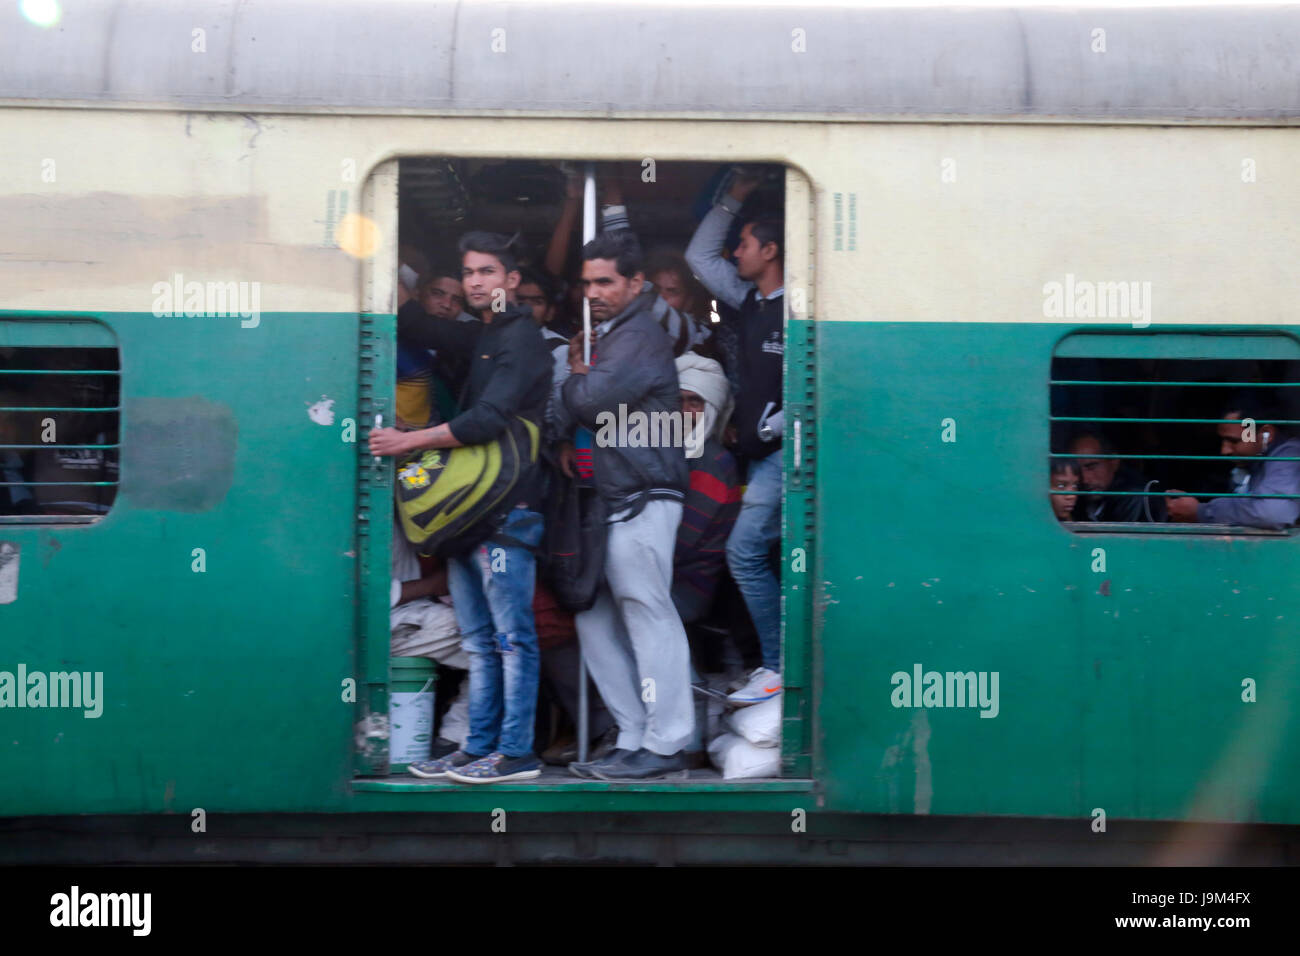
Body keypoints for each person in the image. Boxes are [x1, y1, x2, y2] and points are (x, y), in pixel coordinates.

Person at [370, 230, 551, 784]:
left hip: (507, 512)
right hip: (473, 516)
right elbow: (424, 327)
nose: (475, 282)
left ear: (511, 280)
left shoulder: (521, 339)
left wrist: (410, 441)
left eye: (487, 272)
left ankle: (515, 752)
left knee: (511, 637)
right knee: (478, 639)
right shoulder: (484, 334)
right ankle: (478, 748)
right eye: (469, 272)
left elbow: (488, 418)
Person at [557, 230, 695, 781]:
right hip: (620, 494)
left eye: (604, 281)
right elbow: (578, 411)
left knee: (647, 615)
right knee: (594, 619)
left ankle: (666, 744)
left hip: (643, 492)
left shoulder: (638, 334)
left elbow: (589, 402)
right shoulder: (615, 334)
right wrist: (582, 384)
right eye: (586, 282)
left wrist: (576, 375)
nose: (591, 291)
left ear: (636, 283)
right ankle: (635, 736)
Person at [685, 168, 786, 705]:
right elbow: (698, 260)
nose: (734, 253)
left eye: (743, 243)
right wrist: (735, 198)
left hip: (781, 456)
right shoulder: (749, 302)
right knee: (762, 555)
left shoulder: (802, 309)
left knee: (745, 552)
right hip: (753, 455)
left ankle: (776, 665)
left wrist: (773, 424)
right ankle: (768, 661)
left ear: (769, 251)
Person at [388, 517, 471, 756]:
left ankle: (453, 739)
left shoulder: (408, 517)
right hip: (385, 627)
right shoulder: (374, 513)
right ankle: (456, 738)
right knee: (489, 639)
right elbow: (365, 593)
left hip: (411, 615)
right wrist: (432, 585)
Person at [672, 352, 741, 625]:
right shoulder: (686, 452)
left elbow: (682, 543)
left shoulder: (709, 462)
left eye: (695, 402)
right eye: (679, 401)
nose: (685, 411)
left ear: (710, 408)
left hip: (686, 588)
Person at [1167, 405, 1300, 528]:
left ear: (1266, 434)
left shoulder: (1290, 456)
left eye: (1234, 441)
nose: (1224, 451)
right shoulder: (1257, 460)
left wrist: (1201, 511)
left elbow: (1271, 513)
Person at [1067, 432, 1166, 522]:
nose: (1085, 479)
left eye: (1092, 467)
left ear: (1114, 462)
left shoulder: (1133, 497)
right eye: (1078, 471)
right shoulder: (1081, 499)